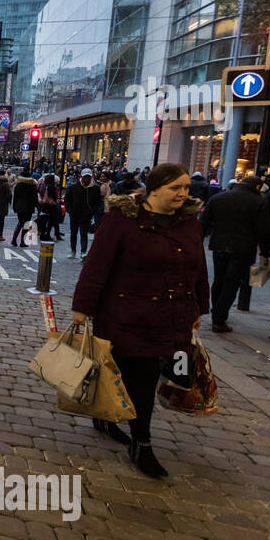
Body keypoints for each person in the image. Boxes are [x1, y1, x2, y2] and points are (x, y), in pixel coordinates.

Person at [72, 163, 208, 479]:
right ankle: (126, 431)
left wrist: (198, 308)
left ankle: (126, 432)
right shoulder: (121, 220)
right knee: (128, 374)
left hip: (169, 315)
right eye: (176, 188)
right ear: (155, 189)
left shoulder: (188, 223)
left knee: (142, 378)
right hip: (124, 314)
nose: (183, 194)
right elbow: (96, 267)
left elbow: (198, 268)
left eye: (187, 188)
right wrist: (82, 308)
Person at [199, 175, 270, 334]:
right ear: (257, 187)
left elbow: (204, 221)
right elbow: (263, 230)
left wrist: (198, 241)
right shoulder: (259, 202)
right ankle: (219, 318)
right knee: (232, 283)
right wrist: (265, 251)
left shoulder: (218, 198)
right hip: (243, 247)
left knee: (218, 280)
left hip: (219, 244)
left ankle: (217, 311)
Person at [64, 168, 102, 260]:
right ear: (81, 177)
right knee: (73, 233)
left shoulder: (96, 188)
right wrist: (70, 210)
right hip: (74, 214)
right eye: (85, 177)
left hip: (86, 215)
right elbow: (67, 199)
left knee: (83, 234)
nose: (87, 179)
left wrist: (93, 211)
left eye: (88, 177)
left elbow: (98, 202)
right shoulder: (74, 187)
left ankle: (83, 252)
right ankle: (73, 251)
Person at [10, 170, 39, 246]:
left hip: (19, 206)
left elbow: (15, 198)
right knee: (26, 224)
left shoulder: (18, 185)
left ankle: (14, 240)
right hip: (28, 207)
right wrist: (38, 206)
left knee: (20, 223)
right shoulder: (32, 186)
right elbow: (34, 198)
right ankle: (22, 242)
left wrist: (14, 207)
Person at [36, 173, 62, 241]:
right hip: (50, 206)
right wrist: (56, 199)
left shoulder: (46, 185)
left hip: (46, 205)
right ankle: (46, 234)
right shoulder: (51, 186)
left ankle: (45, 234)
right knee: (52, 220)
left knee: (45, 219)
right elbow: (53, 195)